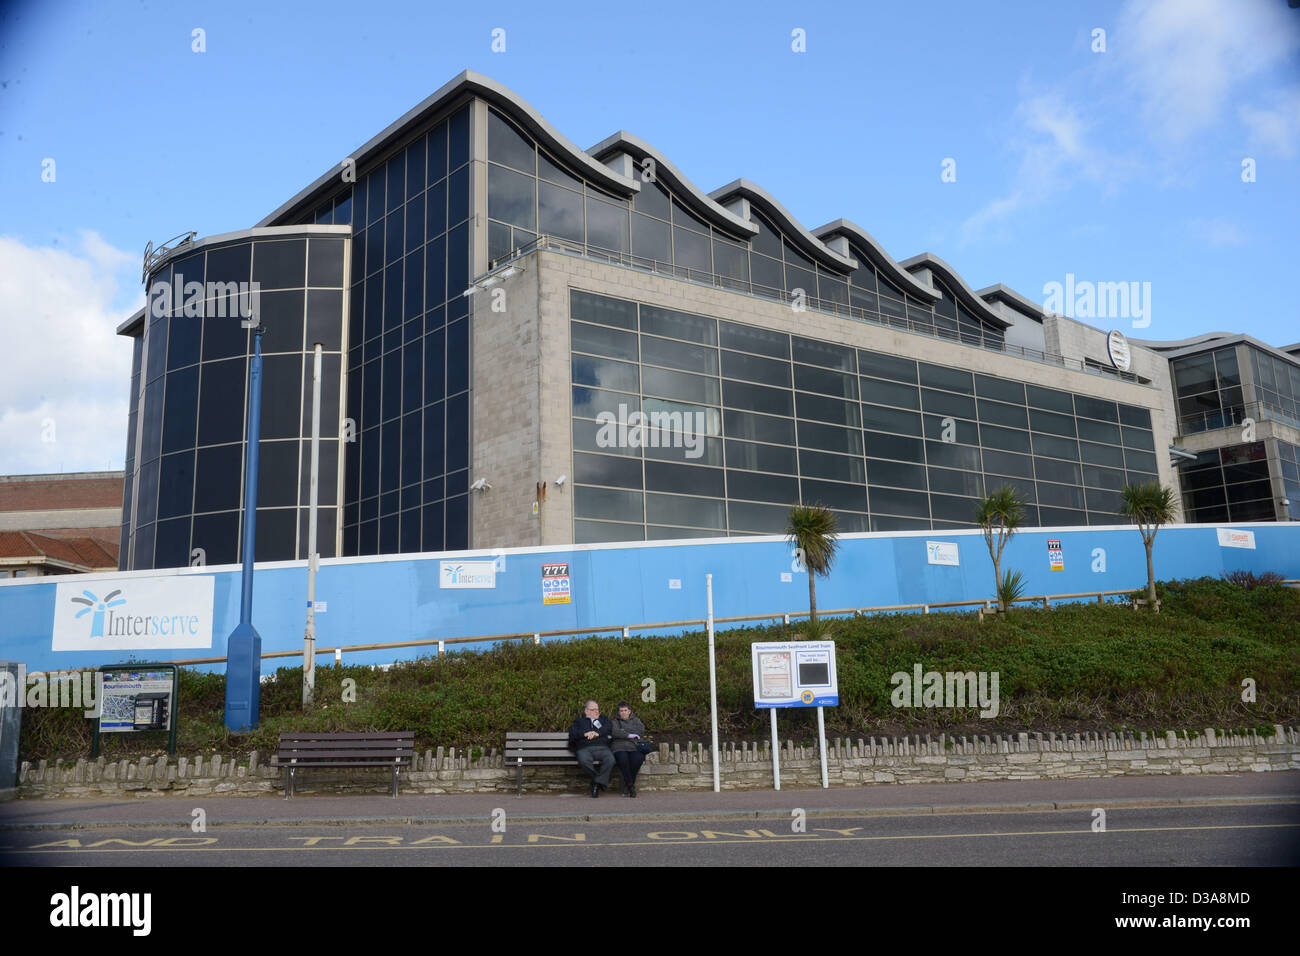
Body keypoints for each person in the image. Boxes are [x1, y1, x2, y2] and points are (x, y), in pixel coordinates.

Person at [568, 699, 614, 797]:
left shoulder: (603, 719)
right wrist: (585, 734)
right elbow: (573, 734)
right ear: (586, 711)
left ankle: (595, 783)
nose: (597, 711)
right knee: (584, 760)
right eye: (593, 710)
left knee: (610, 759)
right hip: (585, 748)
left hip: (602, 747)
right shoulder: (579, 721)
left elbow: (609, 728)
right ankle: (598, 781)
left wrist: (598, 733)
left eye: (597, 709)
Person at [609, 700, 648, 797]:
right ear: (619, 712)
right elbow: (614, 732)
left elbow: (641, 731)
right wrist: (629, 735)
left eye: (625, 710)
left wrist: (623, 732)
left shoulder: (636, 720)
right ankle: (631, 786)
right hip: (619, 747)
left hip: (634, 746)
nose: (623, 712)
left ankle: (627, 785)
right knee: (623, 760)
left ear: (629, 711)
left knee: (638, 759)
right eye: (621, 711)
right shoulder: (614, 722)